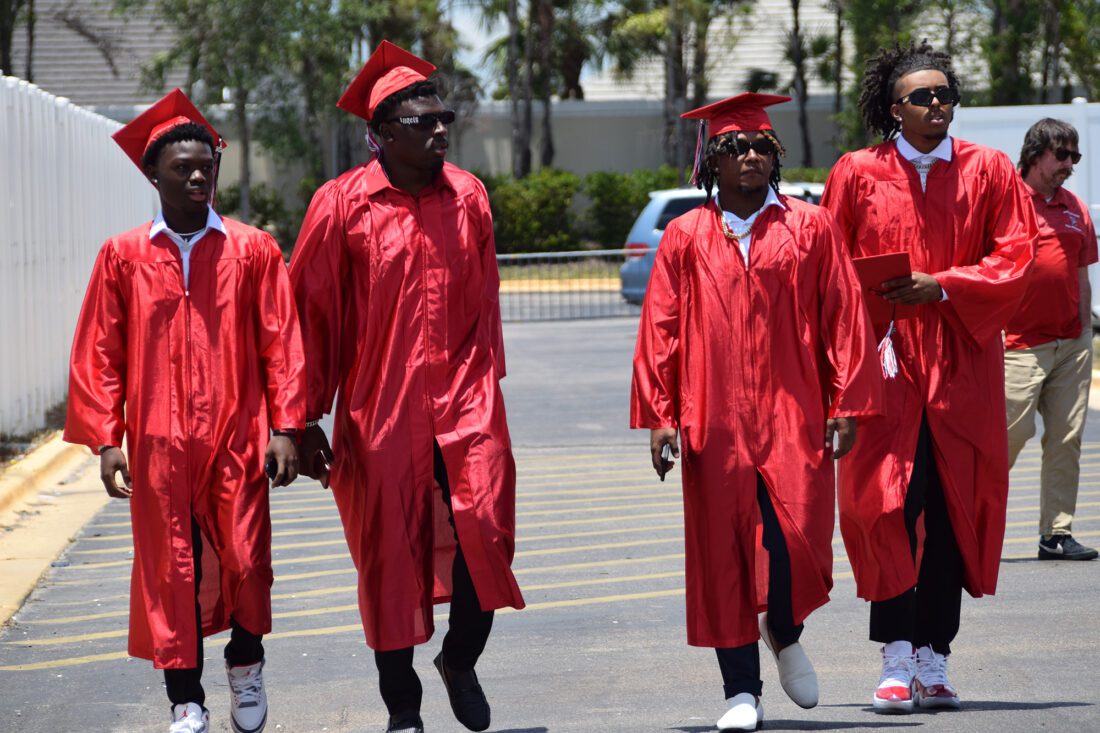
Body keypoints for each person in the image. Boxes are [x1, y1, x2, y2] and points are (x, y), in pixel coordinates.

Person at [288, 41, 524, 733]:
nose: (441, 129)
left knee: (488, 530)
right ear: (385, 134)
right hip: (380, 406)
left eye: (444, 117)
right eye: (425, 121)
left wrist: (485, 387)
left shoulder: (470, 197)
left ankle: (459, 656)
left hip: (468, 396)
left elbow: (485, 300)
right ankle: (403, 708)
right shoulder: (340, 206)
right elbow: (311, 316)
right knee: (389, 559)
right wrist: (300, 420)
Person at [631, 92, 883, 732]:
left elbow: (843, 320)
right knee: (724, 557)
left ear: (776, 157)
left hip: (792, 413)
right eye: (735, 147)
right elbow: (660, 329)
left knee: (797, 540)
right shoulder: (686, 235)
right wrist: (661, 414)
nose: (749, 156)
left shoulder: (810, 226)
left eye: (760, 147)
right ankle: (740, 690)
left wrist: (846, 401)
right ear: (712, 160)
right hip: (711, 417)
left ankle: (784, 628)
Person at [64, 88, 306, 733]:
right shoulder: (124, 256)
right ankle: (186, 699)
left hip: (237, 433)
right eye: (182, 168)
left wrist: (287, 426)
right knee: (174, 568)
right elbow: (99, 348)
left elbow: (283, 343)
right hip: (159, 439)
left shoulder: (253, 249)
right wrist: (104, 439)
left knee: (247, 559)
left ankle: (246, 662)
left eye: (207, 165)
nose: (198, 176)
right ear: (153, 175)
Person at [820, 41, 1038, 713]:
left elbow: (1018, 257)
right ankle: (893, 653)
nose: (939, 105)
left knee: (949, 512)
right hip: (881, 362)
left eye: (946, 94)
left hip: (961, 361)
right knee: (885, 507)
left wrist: (941, 287)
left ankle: (933, 656)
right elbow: (827, 272)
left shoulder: (991, 171)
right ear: (895, 108)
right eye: (924, 96)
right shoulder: (856, 172)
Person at [1004, 119, 1098, 561]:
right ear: (1035, 153)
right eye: (1062, 155)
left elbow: (1081, 272)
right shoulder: (1005, 203)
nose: (1069, 165)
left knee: (1066, 439)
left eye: (1074, 157)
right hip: (1018, 343)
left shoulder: (1075, 207)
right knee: (1008, 436)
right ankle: (961, 526)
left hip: (1071, 344)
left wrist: (1083, 331)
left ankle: (1056, 534)